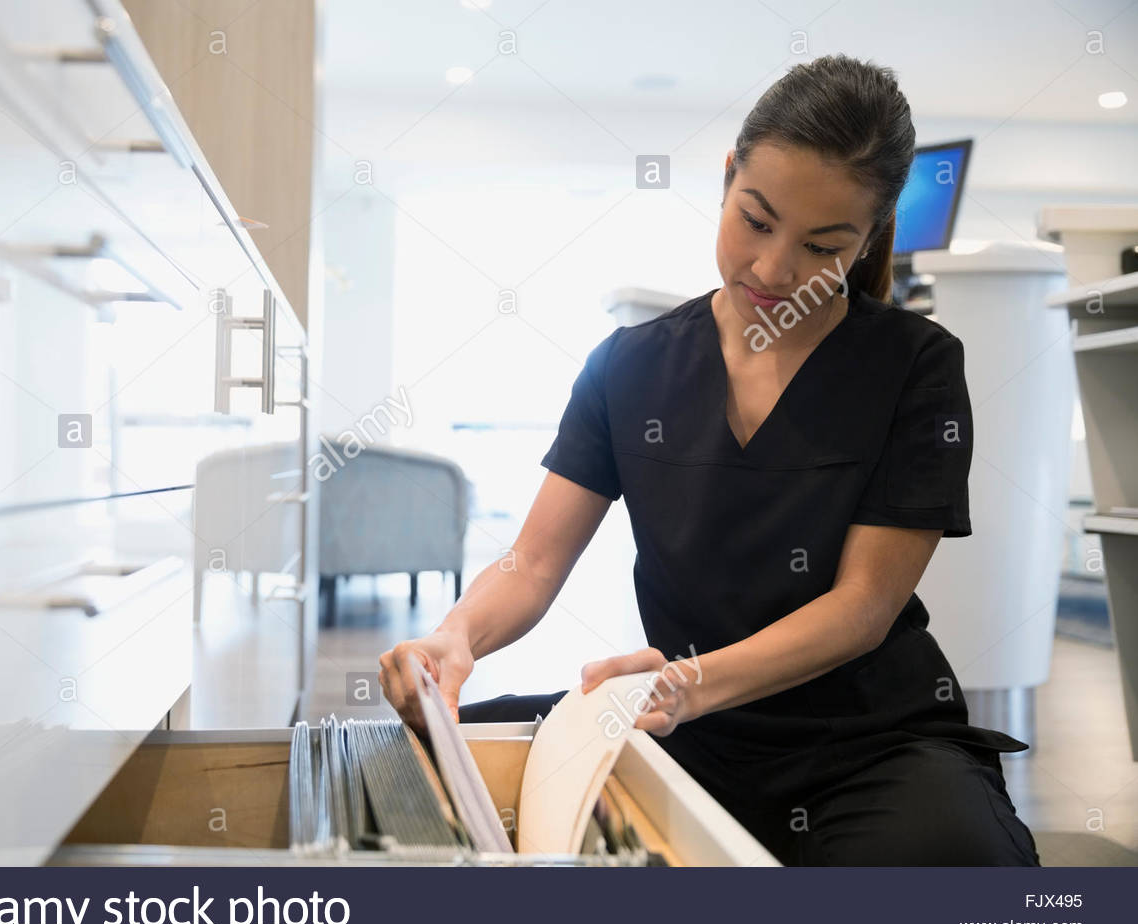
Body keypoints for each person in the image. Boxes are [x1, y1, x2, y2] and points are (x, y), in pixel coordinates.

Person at [378, 54, 1040, 867]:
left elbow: (864, 607)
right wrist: (457, 637)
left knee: (949, 872)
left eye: (822, 246)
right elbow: (534, 561)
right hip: (685, 727)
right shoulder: (627, 366)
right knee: (405, 775)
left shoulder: (916, 365)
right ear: (728, 176)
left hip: (867, 744)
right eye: (756, 221)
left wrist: (684, 686)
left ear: (868, 237)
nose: (771, 270)